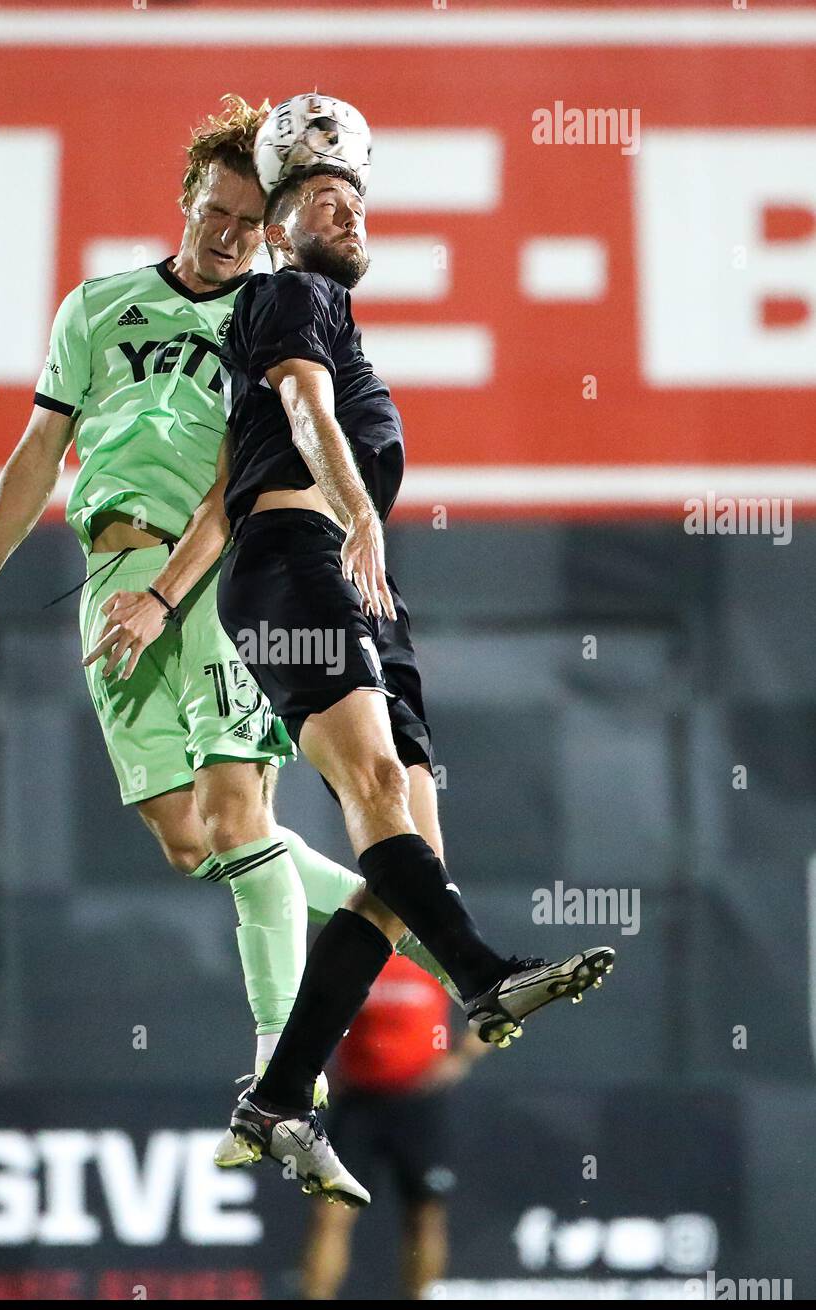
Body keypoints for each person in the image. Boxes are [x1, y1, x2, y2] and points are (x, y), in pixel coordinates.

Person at [95, 161, 615, 1204]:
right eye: (322, 199)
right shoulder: (290, 292)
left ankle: (279, 1097)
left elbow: (261, 451)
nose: (349, 211)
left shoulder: (330, 313)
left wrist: (344, 533)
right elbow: (298, 408)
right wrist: (359, 509)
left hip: (355, 580)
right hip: (298, 557)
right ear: (282, 233)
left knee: (402, 867)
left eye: (358, 198)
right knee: (374, 792)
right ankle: (482, 973)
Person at [0, 96, 446, 1096]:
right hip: (111, 574)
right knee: (187, 834)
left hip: (209, 574)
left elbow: (240, 479)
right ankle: (410, 908)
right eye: (218, 209)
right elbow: (41, 450)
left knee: (240, 815)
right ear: (189, 198)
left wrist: (171, 591)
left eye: (252, 221)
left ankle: (283, 1076)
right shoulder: (98, 307)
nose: (230, 233)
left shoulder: (269, 315)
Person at [300, 952, 489, 1299]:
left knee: (425, 1214)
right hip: (358, 1104)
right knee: (331, 1212)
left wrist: (461, 1058)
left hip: (420, 1102)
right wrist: (319, 1067)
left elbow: (498, 1005)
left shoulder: (435, 954)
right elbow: (309, 1011)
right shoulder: (354, 949)